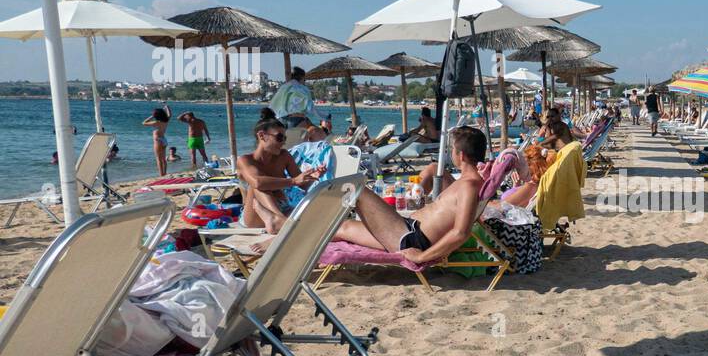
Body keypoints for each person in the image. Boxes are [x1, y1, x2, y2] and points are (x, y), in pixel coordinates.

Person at [334, 126, 486, 265]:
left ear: (462, 156)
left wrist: (421, 257)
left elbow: (461, 233)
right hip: (405, 229)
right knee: (343, 227)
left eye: (452, 149)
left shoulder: (469, 186)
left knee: (354, 187)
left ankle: (311, 234)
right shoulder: (467, 182)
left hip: (410, 239)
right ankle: (311, 246)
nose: (451, 153)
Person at [236, 117, 325, 232]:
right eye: (279, 137)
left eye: (285, 138)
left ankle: (278, 219)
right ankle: (278, 219)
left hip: (283, 207)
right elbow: (258, 183)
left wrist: (312, 177)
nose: (283, 142)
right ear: (262, 135)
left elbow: (302, 185)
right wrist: (293, 181)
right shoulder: (245, 160)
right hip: (255, 214)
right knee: (258, 183)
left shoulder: (284, 156)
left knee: (315, 220)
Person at [504, 117, 578, 206]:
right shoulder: (541, 184)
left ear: (529, 167)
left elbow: (502, 207)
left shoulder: (530, 187)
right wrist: (517, 185)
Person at [142, 104, 171, 177]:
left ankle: (161, 174)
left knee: (158, 159)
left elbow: (144, 122)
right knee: (163, 159)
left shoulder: (156, 122)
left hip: (158, 140)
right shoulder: (166, 120)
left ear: (156, 116)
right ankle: (165, 173)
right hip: (164, 140)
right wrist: (167, 108)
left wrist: (152, 116)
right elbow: (169, 114)